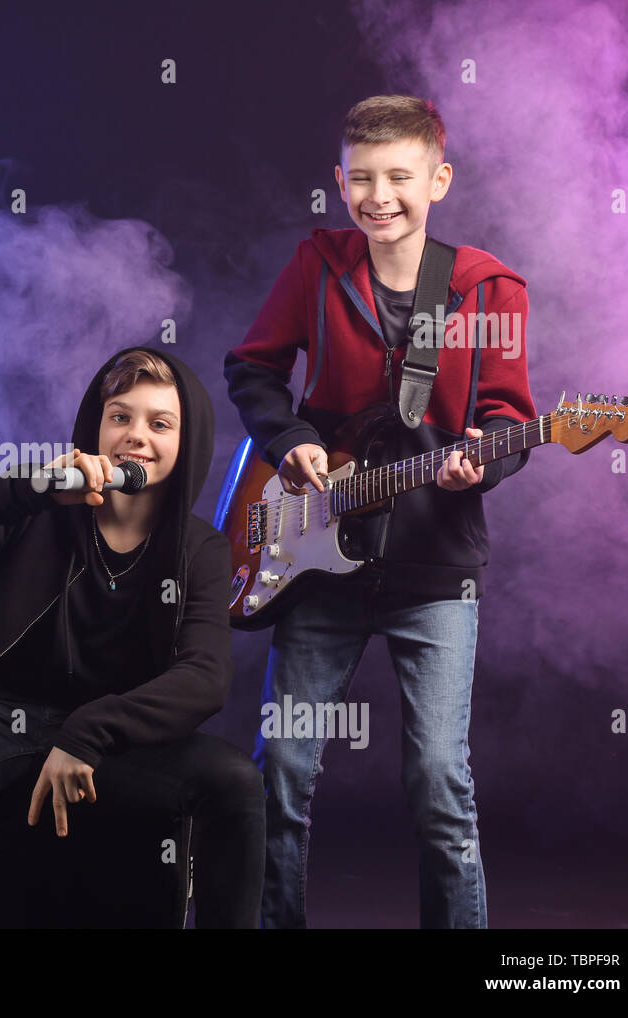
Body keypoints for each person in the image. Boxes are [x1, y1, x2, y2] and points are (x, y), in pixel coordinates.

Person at [224, 95, 536, 928]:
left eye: (399, 176)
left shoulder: (487, 289)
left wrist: (484, 465)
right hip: (314, 562)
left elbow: (510, 420)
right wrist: (288, 438)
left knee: (438, 779)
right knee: (280, 766)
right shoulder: (315, 266)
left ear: (438, 177)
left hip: (435, 571)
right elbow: (253, 368)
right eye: (361, 178)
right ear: (338, 180)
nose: (379, 195)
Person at [0, 347, 265, 928]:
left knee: (237, 782)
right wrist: (27, 488)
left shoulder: (201, 550)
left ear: (187, 444)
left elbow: (205, 679)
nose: (136, 435)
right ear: (96, 428)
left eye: (159, 424)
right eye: (120, 417)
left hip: (111, 737)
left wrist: (90, 731)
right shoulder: (39, 508)